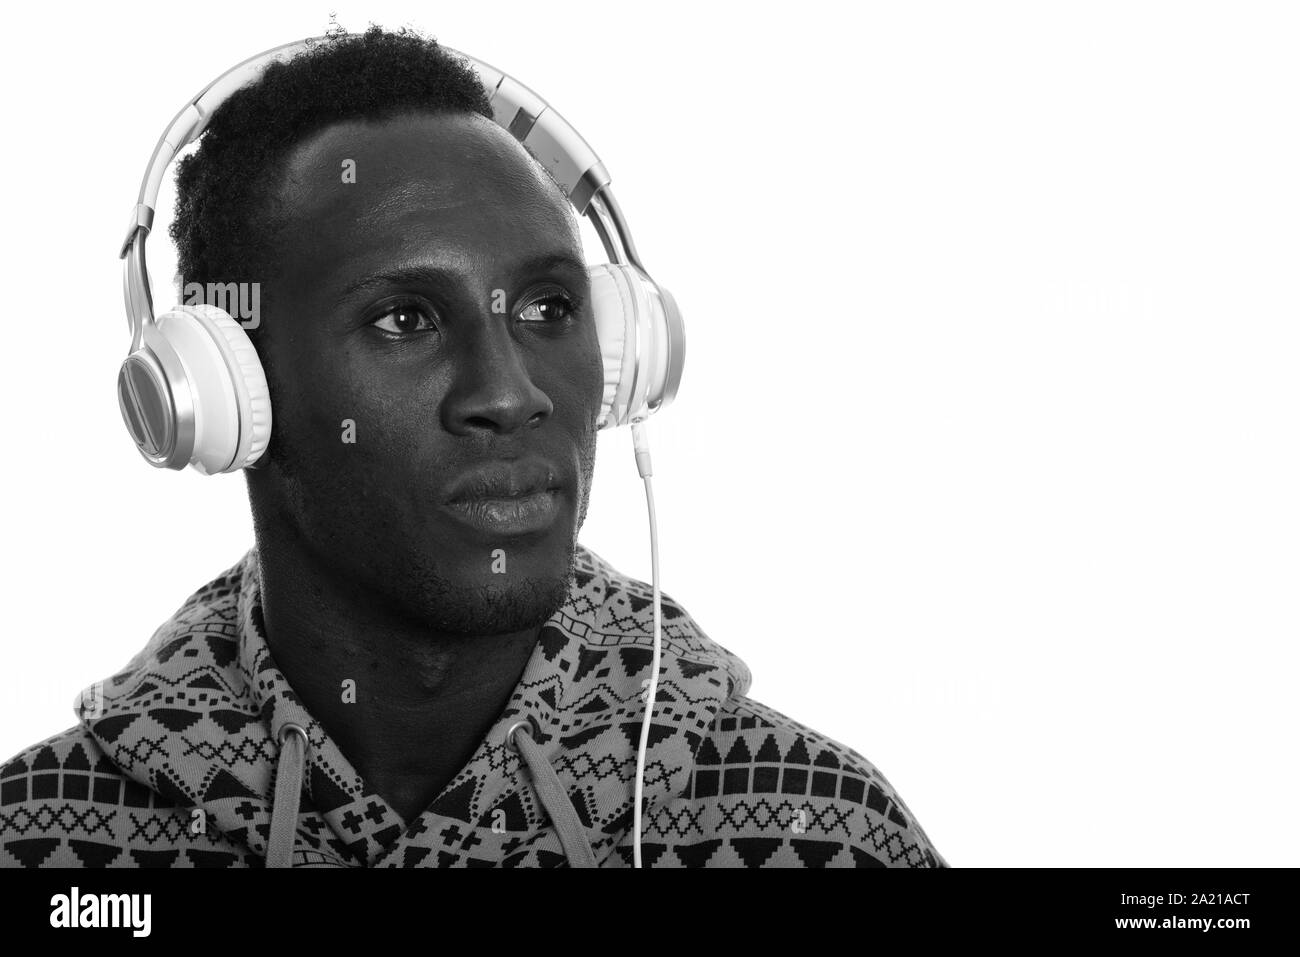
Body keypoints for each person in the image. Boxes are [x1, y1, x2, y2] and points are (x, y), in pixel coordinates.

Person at [0, 26, 947, 868]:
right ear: (221, 392)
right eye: (406, 317)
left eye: (548, 309)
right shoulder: (47, 839)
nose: (510, 393)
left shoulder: (820, 828)